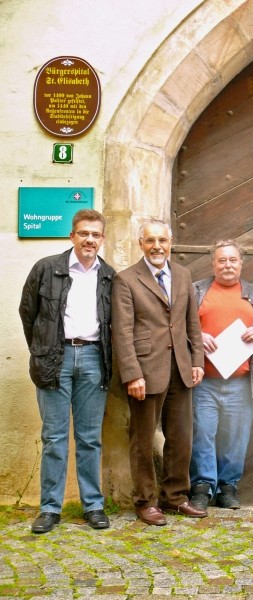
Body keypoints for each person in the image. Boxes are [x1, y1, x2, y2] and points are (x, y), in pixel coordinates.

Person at [19, 209, 115, 534]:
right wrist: (41, 349)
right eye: (84, 233)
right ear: (72, 235)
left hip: (93, 358)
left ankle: (93, 505)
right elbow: (28, 313)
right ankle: (49, 509)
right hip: (54, 358)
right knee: (54, 437)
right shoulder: (46, 268)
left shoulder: (109, 276)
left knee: (89, 439)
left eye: (96, 234)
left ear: (102, 239)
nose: (90, 239)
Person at [111, 219, 207, 525]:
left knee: (181, 437)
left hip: (180, 367)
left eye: (162, 240)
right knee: (142, 438)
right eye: (150, 240)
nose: (157, 246)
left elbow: (193, 322)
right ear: (141, 244)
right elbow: (122, 332)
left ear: (170, 242)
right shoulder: (126, 280)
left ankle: (175, 496)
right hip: (145, 370)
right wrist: (132, 373)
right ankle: (145, 501)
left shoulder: (183, 274)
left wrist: (197, 361)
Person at [189, 240, 253, 510]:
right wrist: (197, 337)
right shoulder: (196, 291)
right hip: (204, 381)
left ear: (241, 263)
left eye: (232, 260)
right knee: (202, 432)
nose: (227, 265)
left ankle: (228, 487)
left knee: (237, 435)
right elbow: (178, 324)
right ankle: (202, 488)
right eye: (221, 260)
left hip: (241, 381)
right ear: (213, 263)